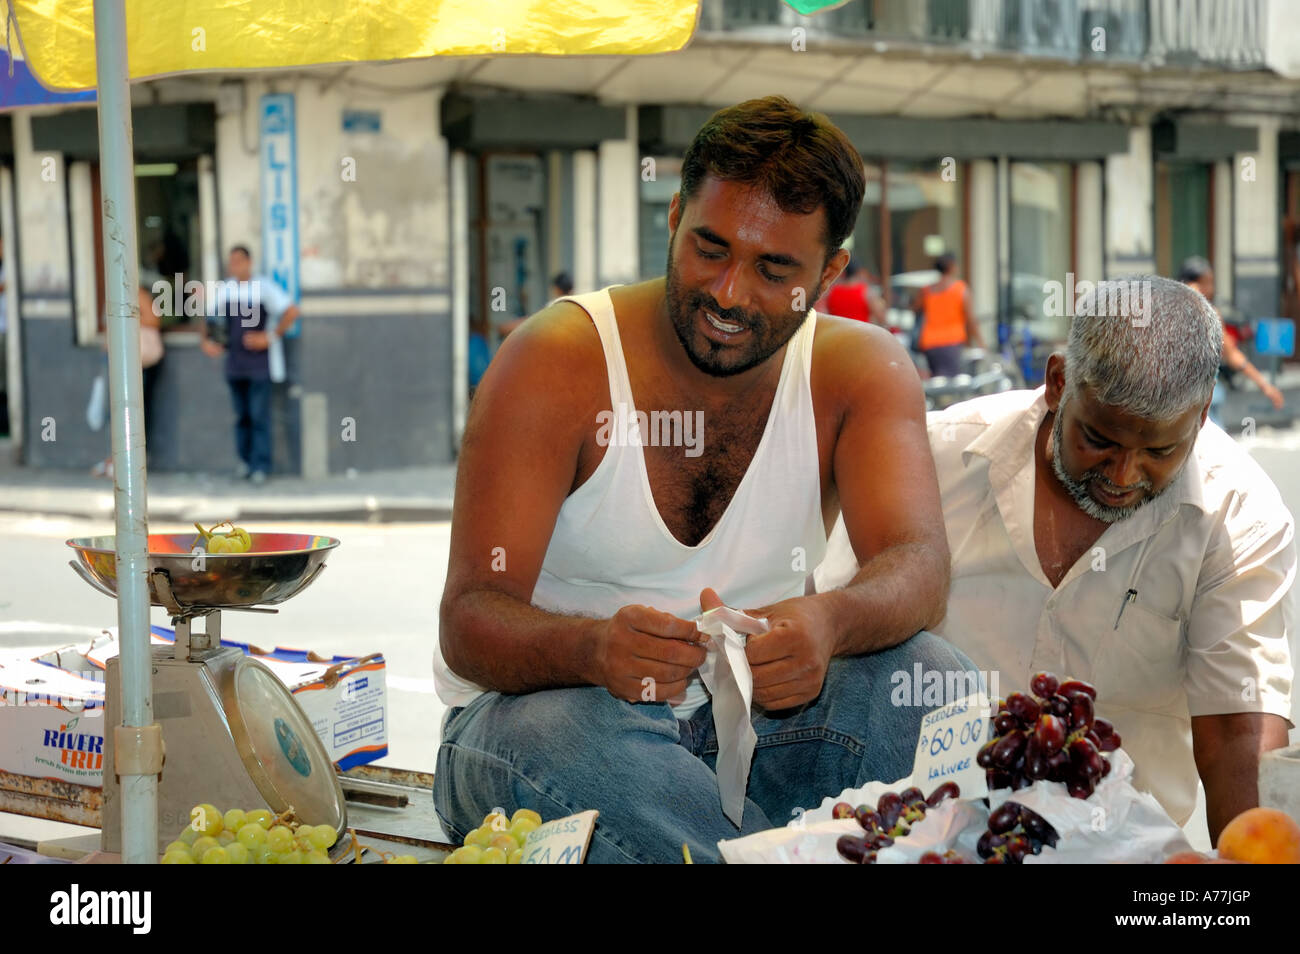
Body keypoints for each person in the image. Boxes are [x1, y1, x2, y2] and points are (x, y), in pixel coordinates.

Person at [434, 96, 974, 863]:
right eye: (709, 248)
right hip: (551, 727)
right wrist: (590, 651)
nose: (727, 292)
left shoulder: (863, 370)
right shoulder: (555, 359)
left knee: (936, 679)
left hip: (757, 729)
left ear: (829, 272)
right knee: (565, 737)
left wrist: (830, 624)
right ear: (675, 215)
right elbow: (469, 621)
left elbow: (919, 566)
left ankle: (725, 847)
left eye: (773, 269)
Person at [816, 276, 1295, 842]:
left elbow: (1238, 734)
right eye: (1099, 439)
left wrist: (1251, 865)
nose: (1123, 476)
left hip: (1118, 851)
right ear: (1058, 381)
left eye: (1160, 451)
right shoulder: (938, 458)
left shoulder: (1237, 515)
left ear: (1202, 412)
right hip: (920, 838)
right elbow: (845, 636)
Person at [199, 245, 300, 484]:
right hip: (234, 363)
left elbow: (291, 311)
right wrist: (206, 341)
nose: (235, 265)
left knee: (259, 416)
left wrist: (270, 336)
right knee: (242, 416)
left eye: (239, 261)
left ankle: (261, 465)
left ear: (249, 262)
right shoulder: (226, 289)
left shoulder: (264, 288)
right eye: (231, 261)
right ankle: (245, 462)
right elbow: (208, 317)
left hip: (259, 364)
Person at [1179, 256, 1284, 427]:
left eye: (1211, 282)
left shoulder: (1211, 313)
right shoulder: (1175, 309)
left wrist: (1264, 385)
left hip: (1206, 400)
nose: (1210, 288)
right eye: (1206, 282)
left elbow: (1231, 354)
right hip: (1184, 402)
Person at [91, 272, 165, 479]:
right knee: (115, 411)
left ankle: (131, 459)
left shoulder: (137, 294)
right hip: (115, 358)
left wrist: (127, 317)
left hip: (136, 360)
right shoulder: (112, 295)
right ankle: (115, 458)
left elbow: (153, 320)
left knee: (133, 411)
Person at [913, 252, 983, 378]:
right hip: (952, 341)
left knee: (936, 380)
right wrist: (980, 343)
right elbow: (970, 320)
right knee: (951, 383)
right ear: (951, 266)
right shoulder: (960, 289)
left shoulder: (927, 290)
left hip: (930, 344)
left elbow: (916, 309)